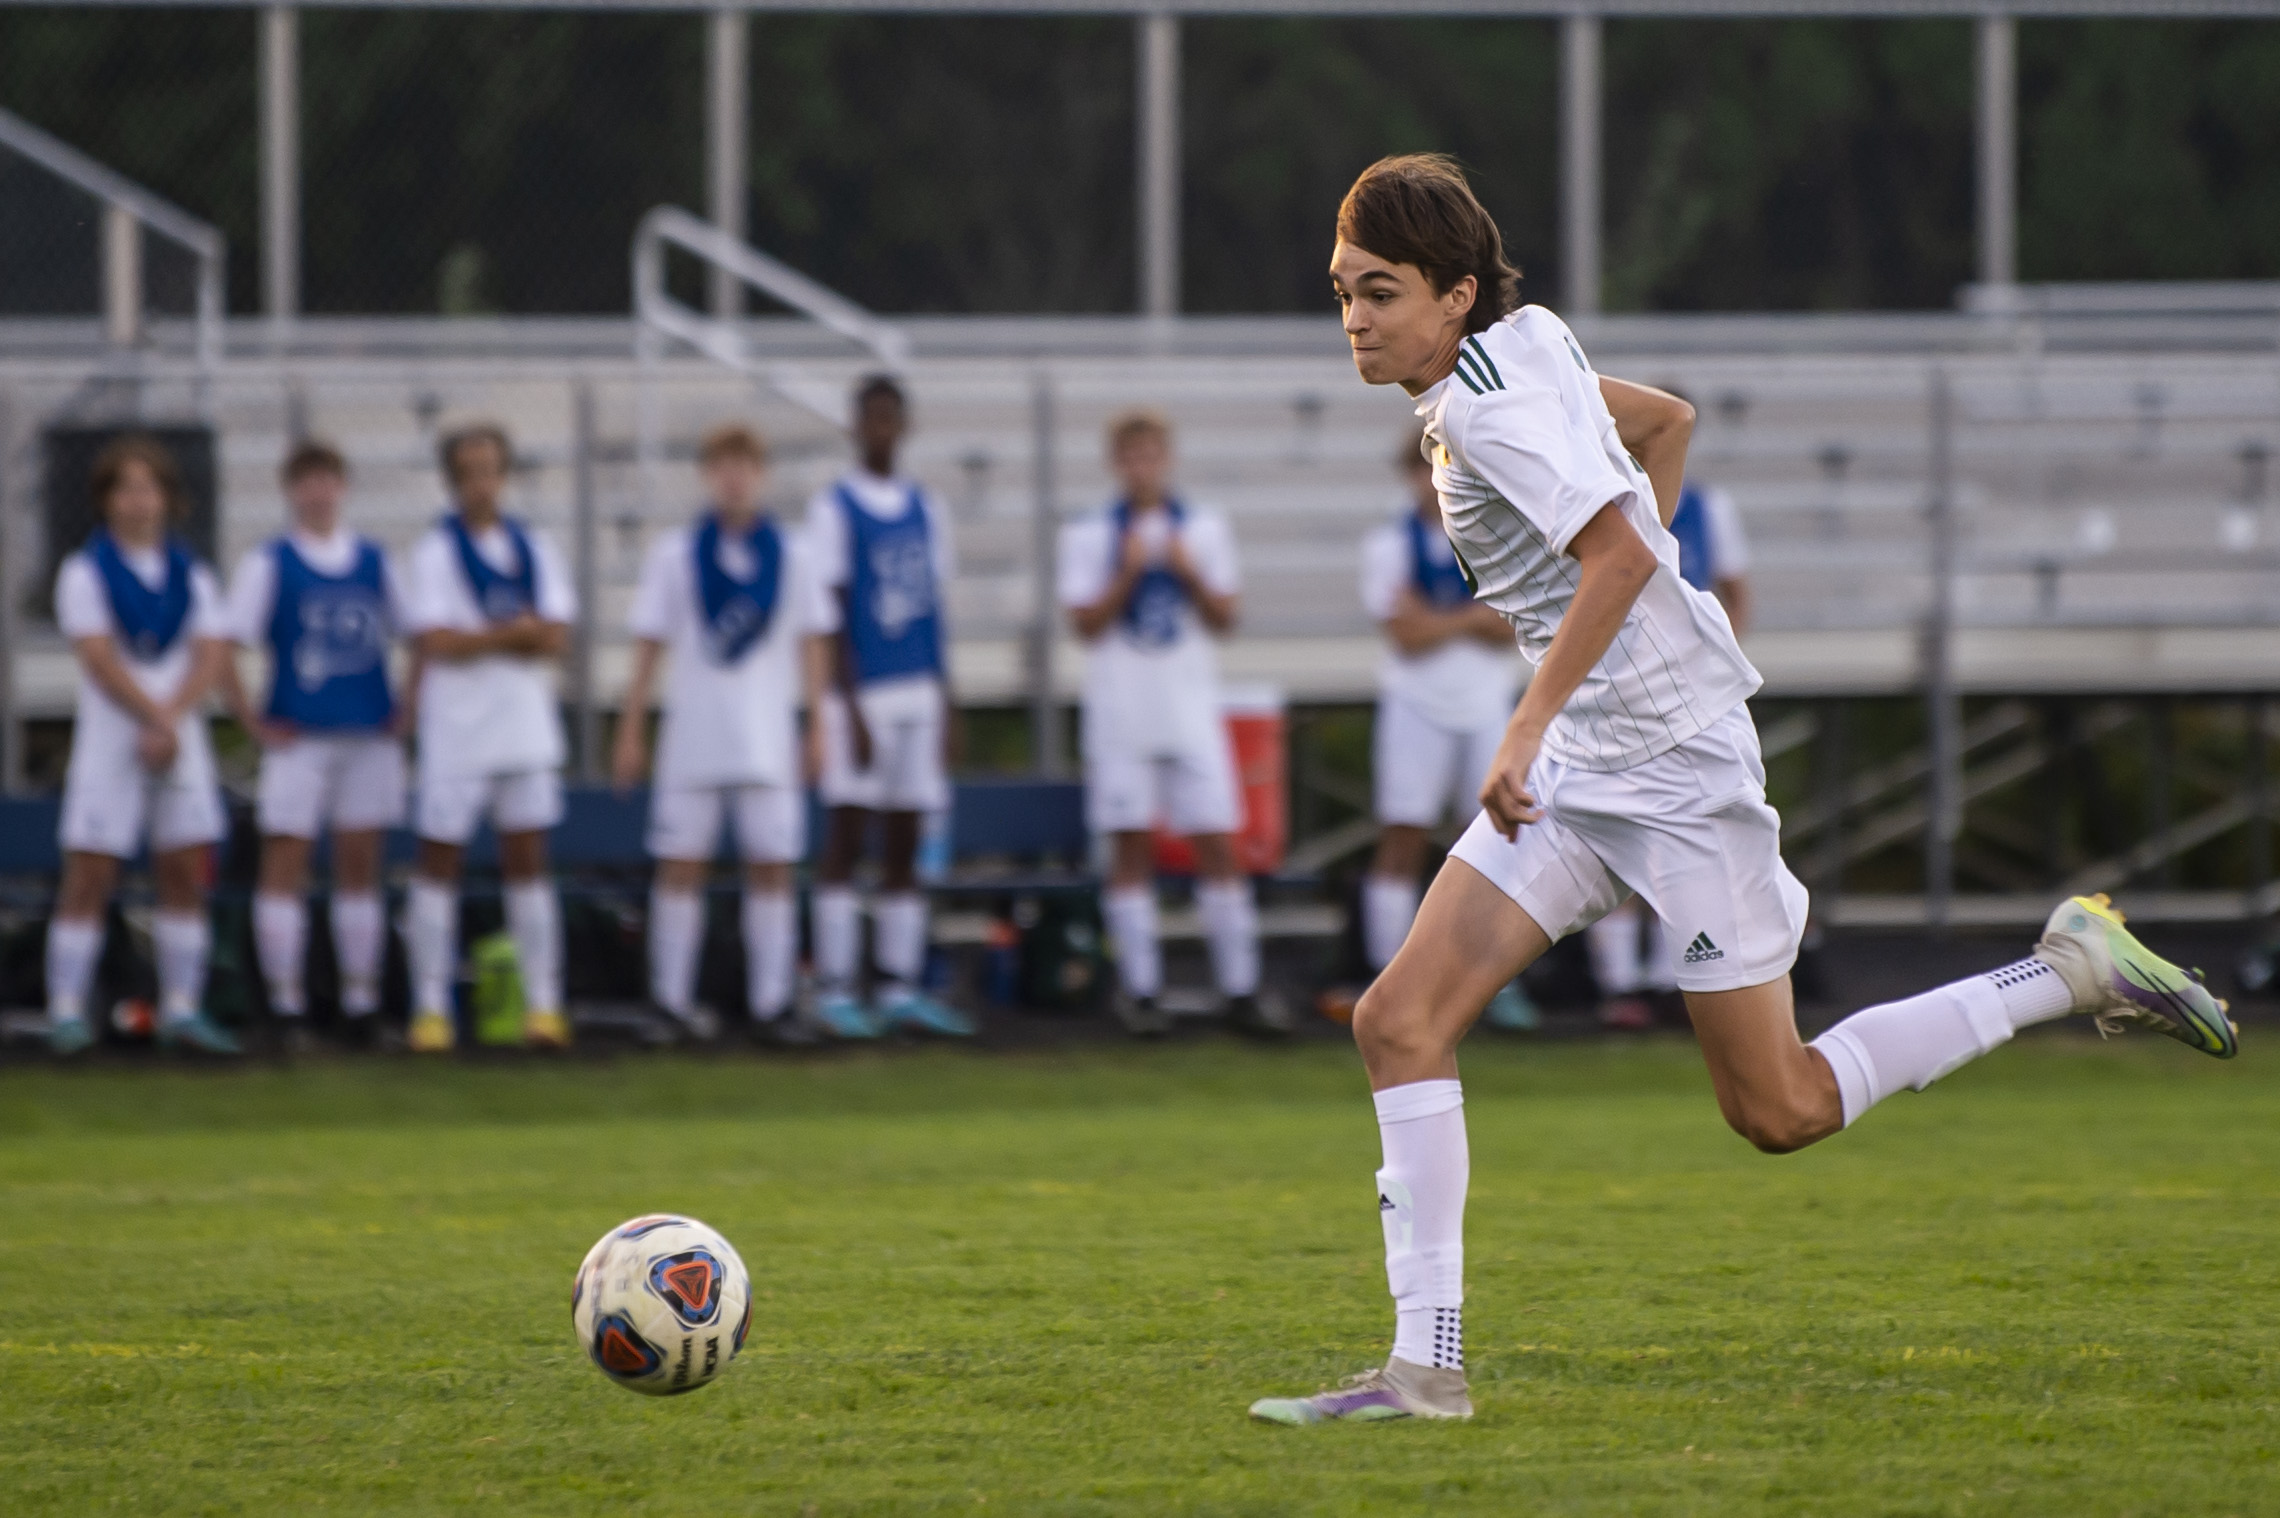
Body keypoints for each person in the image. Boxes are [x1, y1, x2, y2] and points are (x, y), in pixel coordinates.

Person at [1249, 154, 2236, 1427]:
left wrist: (1534, 714)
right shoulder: (1519, 349)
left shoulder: (1488, 409)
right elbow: (1667, 424)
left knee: (1780, 1109)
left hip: (1672, 768)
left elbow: (1610, 551)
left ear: (1452, 296)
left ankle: (2067, 968)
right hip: (1595, 759)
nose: (1355, 319)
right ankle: (1424, 1372)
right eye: (1341, 292)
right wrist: (1615, 632)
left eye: (1380, 292)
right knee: (1396, 1021)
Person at [1058, 409, 1285, 1039]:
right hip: (1121, 711)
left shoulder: (1203, 529)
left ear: (1167, 457)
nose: (1142, 467)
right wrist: (1126, 572)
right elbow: (1083, 625)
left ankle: (1239, 988)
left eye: (1151, 454)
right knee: (1130, 847)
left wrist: (1186, 570)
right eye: (1130, 456)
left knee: (1218, 841)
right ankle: (1142, 992)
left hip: (1189, 710)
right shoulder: (1090, 534)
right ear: (1116, 463)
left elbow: (1224, 617)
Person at [613, 423, 836, 1045]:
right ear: (707, 475)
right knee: (679, 868)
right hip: (693, 737)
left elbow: (812, 643)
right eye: (722, 466)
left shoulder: (793, 556)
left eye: (745, 465)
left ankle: (772, 1005)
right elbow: (649, 644)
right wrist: (633, 727)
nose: (734, 478)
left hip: (766, 737)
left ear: (761, 475)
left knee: (773, 869)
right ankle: (670, 1002)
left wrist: (818, 725)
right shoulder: (676, 554)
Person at [45, 433, 237, 1055]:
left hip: (178, 741)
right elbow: (99, 657)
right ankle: (67, 1010)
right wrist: (154, 718)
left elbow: (211, 654)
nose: (137, 501)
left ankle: (182, 1007)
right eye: (125, 489)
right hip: (113, 742)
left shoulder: (195, 574)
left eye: (148, 488)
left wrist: (172, 719)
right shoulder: (83, 572)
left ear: (168, 499)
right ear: (106, 501)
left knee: (184, 871)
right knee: (90, 875)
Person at [221, 440, 407, 1052]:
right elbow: (228, 645)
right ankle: (286, 1004)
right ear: (291, 492)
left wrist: (409, 708)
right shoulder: (271, 562)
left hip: (366, 733)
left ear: (343, 486)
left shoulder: (375, 561)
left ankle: (359, 999)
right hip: (299, 735)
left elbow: (421, 636)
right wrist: (250, 719)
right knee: (286, 864)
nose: (319, 493)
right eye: (307, 482)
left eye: (328, 480)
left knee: (359, 866)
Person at [399, 422, 577, 1053]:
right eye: (468, 471)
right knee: (438, 863)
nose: (481, 483)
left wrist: (485, 638)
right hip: (457, 732)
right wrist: (510, 635)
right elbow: (435, 640)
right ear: (453, 481)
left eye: (491, 469)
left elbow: (556, 635)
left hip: (524, 727)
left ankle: (544, 1006)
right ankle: (429, 1008)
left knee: (528, 863)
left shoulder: (535, 547)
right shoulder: (433, 554)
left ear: (505, 475)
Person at [805, 375, 971, 1039]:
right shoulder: (834, 508)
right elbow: (832, 614)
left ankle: (899, 984)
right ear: (855, 426)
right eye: (870, 418)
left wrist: (948, 699)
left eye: (890, 418)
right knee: (847, 835)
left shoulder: (927, 509)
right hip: (865, 693)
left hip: (919, 691)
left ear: (903, 426)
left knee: (906, 839)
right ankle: (837, 986)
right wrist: (846, 705)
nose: (881, 429)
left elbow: (935, 609)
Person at [1357, 427, 1533, 1031]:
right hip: (1415, 706)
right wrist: (1468, 619)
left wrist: (1438, 621)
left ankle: (1485, 980)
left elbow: (1509, 628)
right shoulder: (1389, 543)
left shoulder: (1494, 538)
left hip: (1484, 704)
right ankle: (1388, 976)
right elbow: (1405, 637)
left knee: (1491, 844)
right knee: (1403, 835)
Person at [1583, 408, 1753, 1029]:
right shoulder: (1596, 497)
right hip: (1612, 703)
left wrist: (1706, 664)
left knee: (1691, 846)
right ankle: (1623, 984)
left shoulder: (1708, 508)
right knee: (1618, 843)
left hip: (1684, 703)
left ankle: (1678, 980)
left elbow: (1733, 592)